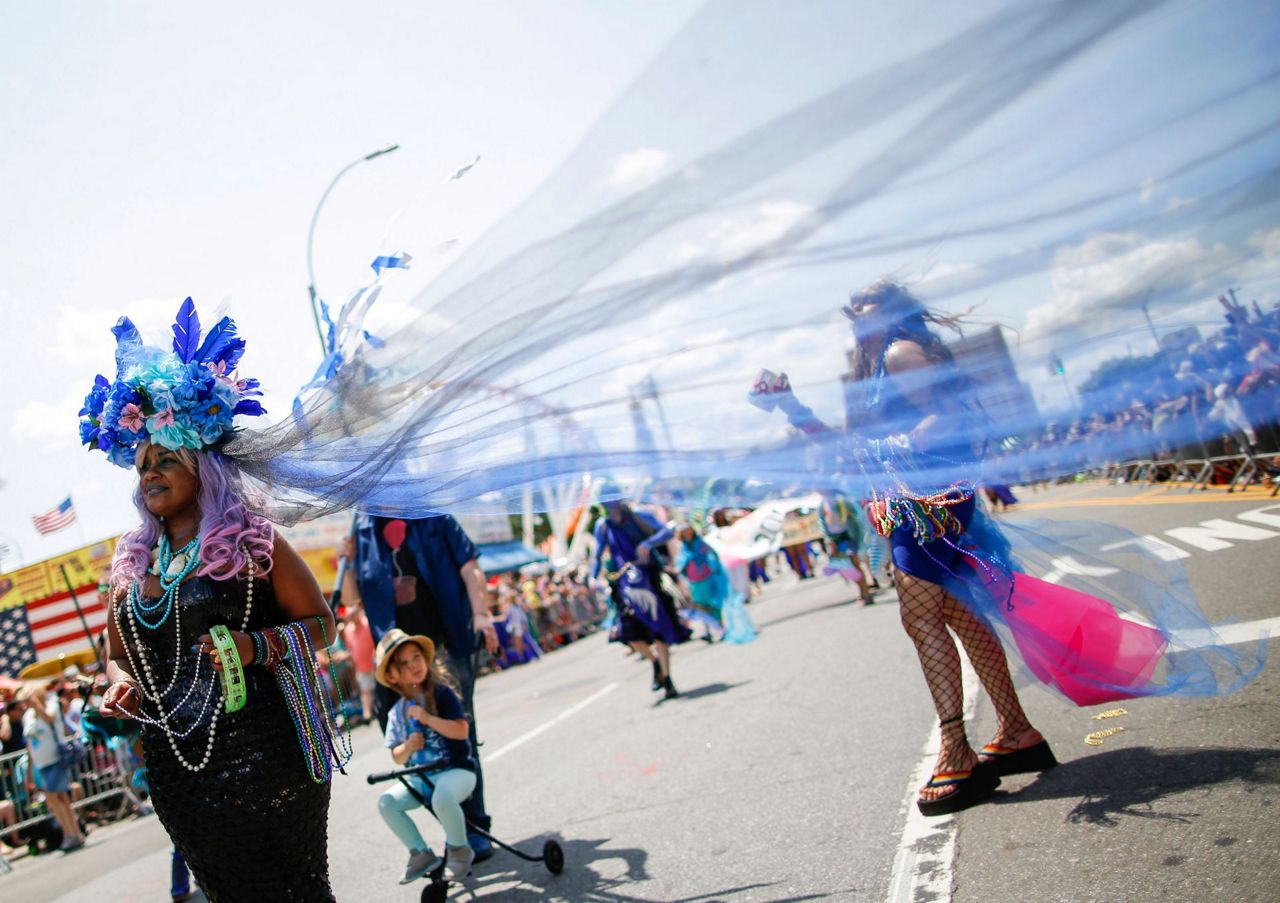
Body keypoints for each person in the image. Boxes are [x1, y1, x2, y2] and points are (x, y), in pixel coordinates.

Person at [84, 299, 347, 899]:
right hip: (181, 773)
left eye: (166, 459)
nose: (149, 472)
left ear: (204, 468)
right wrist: (117, 683)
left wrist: (256, 646)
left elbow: (321, 624)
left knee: (297, 889)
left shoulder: (254, 542)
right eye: (143, 463)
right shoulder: (130, 566)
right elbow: (118, 654)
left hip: (269, 752)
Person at [346, 513, 500, 860]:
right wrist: (348, 559)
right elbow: (354, 598)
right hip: (394, 658)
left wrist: (481, 614)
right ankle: (455, 826)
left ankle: (474, 830)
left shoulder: (433, 514)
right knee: (406, 741)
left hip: (444, 645)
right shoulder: (364, 528)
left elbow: (469, 566)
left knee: (457, 732)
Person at [374, 629, 478, 884]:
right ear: (392, 676)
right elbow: (397, 757)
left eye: (416, 657)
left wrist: (428, 718)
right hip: (423, 779)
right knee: (387, 803)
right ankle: (420, 853)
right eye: (404, 663)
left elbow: (461, 730)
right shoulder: (397, 712)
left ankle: (459, 849)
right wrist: (408, 747)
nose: (413, 665)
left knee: (443, 797)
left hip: (457, 770)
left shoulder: (442, 694)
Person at [590, 490, 689, 700]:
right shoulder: (603, 525)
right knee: (629, 634)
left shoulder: (640, 515)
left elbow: (667, 531)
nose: (610, 503)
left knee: (660, 628)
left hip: (650, 579)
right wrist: (592, 577)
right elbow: (598, 554)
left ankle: (668, 678)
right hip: (625, 586)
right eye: (605, 500)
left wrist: (648, 543)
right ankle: (654, 663)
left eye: (612, 497)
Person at [18, 682, 86, 851]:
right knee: (61, 798)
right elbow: (29, 744)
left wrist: (37, 706)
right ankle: (75, 833)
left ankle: (69, 834)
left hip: (56, 758)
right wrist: (29, 771)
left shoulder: (51, 705)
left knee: (53, 797)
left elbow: (49, 718)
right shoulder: (27, 715)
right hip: (40, 762)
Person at [676, 521, 756, 644]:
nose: (686, 532)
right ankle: (708, 630)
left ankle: (720, 628)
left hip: (708, 578)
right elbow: (680, 564)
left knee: (713, 605)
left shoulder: (702, 544)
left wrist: (712, 568)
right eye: (684, 530)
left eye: (688, 529)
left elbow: (713, 557)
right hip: (694, 582)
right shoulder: (683, 549)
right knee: (700, 607)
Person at [341, 599, 378, 723]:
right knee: (365, 691)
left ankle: (375, 710)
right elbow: (351, 649)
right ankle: (367, 714)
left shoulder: (368, 624)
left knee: (378, 689)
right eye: (349, 615)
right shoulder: (348, 631)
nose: (350, 617)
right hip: (361, 667)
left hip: (374, 664)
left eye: (352, 614)